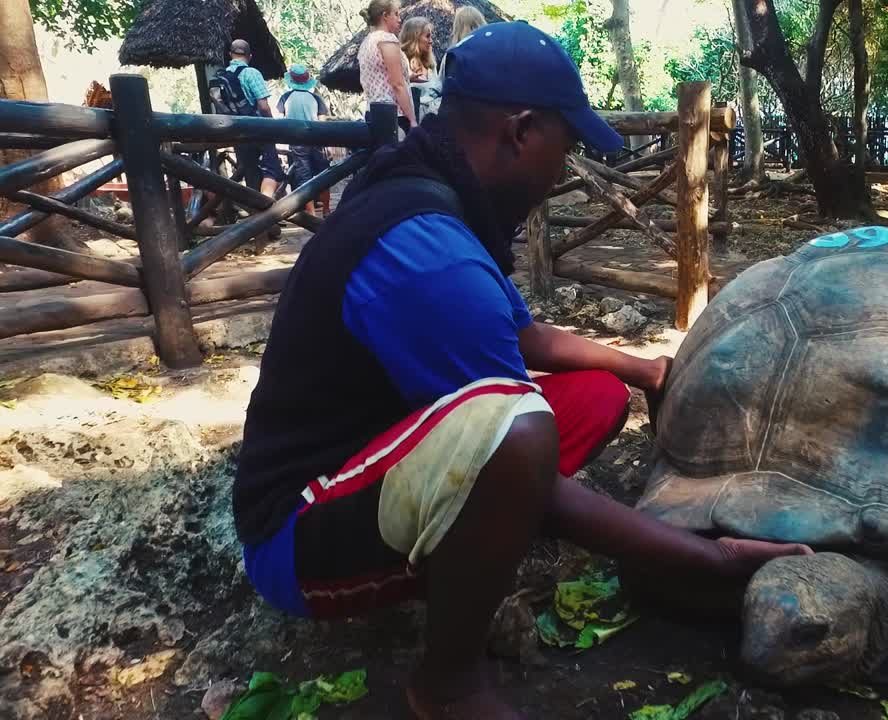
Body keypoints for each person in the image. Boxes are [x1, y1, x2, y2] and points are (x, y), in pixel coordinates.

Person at [233, 21, 810, 720]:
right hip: (298, 527)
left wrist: (644, 369)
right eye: (564, 150)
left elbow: (521, 334)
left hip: (381, 448)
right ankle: (447, 685)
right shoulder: (430, 254)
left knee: (595, 397)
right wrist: (702, 557)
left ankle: (479, 539)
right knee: (520, 433)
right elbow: (515, 449)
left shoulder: (434, 191)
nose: (563, 172)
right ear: (521, 131)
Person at [226, 39, 285, 198]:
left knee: (250, 171)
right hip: (258, 129)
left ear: (230, 54)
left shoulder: (222, 76)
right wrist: (271, 126)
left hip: (236, 132)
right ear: (249, 56)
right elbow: (263, 106)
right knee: (272, 171)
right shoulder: (251, 73)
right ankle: (264, 211)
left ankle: (257, 216)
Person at [276, 63, 331, 215]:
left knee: (304, 178)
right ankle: (326, 209)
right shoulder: (315, 98)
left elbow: (279, 121)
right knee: (324, 176)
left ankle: (311, 213)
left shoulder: (285, 98)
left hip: (297, 142)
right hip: (316, 141)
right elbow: (323, 122)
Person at [357, 0, 416, 134]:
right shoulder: (387, 40)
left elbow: (381, 76)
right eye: (396, 14)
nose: (399, 19)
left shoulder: (367, 42)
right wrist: (412, 120)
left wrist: (410, 77)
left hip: (372, 112)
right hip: (394, 116)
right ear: (385, 16)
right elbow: (397, 84)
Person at [400, 16, 438, 117]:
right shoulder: (402, 63)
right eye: (427, 36)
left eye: (431, 36)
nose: (431, 41)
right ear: (415, 38)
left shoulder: (431, 66)